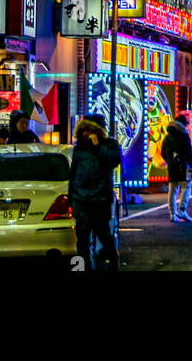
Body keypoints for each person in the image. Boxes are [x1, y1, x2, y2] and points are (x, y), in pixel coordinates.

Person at [69, 116, 121, 271]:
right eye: (85, 130)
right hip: (80, 198)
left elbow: (112, 162)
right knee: (82, 236)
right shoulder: (79, 148)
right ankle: (83, 267)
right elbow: (73, 173)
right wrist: (71, 197)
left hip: (100, 198)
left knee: (103, 234)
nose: (87, 134)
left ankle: (111, 262)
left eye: (91, 130)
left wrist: (98, 145)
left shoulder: (109, 144)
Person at [161, 113, 192, 222]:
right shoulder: (184, 136)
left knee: (172, 190)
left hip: (172, 167)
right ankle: (182, 210)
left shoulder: (167, 137)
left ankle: (172, 214)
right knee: (187, 187)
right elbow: (189, 153)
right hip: (185, 166)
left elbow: (162, 153)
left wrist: (170, 161)